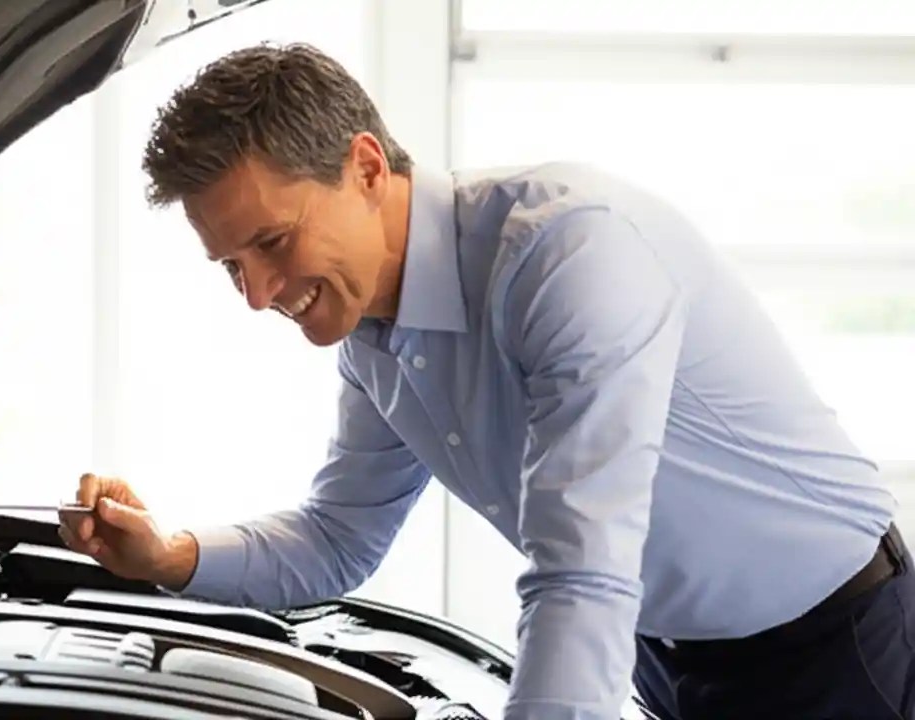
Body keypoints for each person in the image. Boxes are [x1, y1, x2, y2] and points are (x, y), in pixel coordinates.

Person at [57, 42, 912, 720]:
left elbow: (583, 562)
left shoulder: (568, 253)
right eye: (230, 266)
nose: (256, 296)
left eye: (272, 244)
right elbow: (337, 538)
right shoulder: (374, 340)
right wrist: (168, 556)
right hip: (666, 657)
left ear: (365, 168)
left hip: (839, 650)